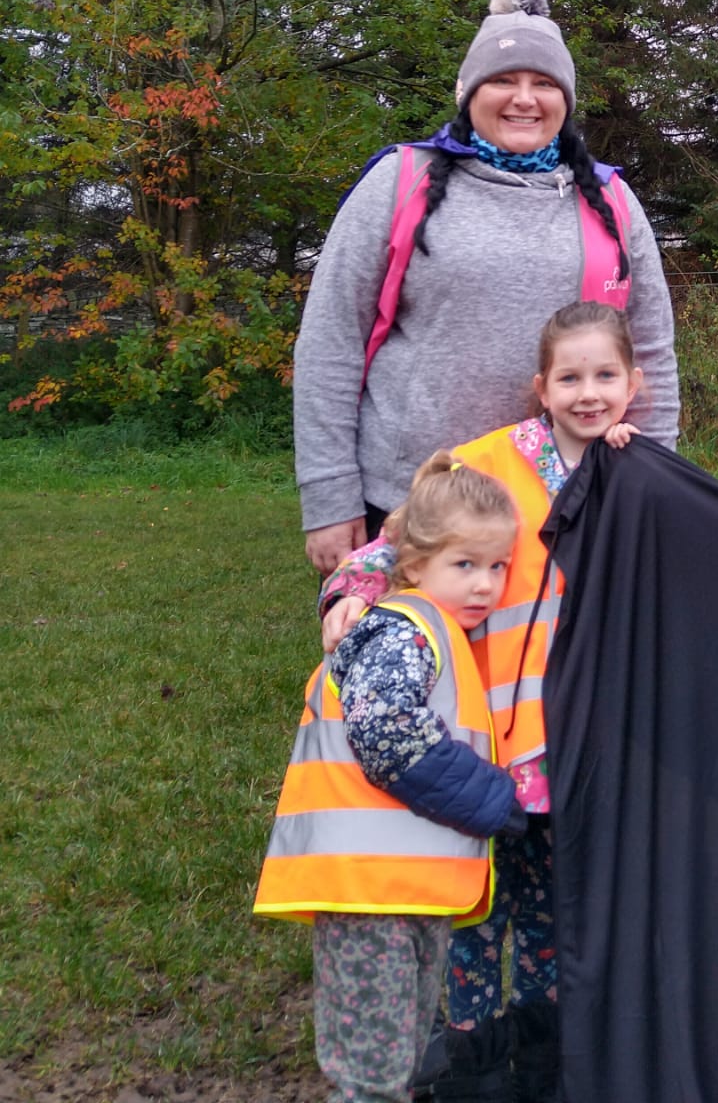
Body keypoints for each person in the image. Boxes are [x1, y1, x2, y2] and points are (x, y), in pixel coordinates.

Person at [318, 302, 644, 1103]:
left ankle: (541, 1061)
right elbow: (397, 543)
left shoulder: (641, 475)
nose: (589, 393)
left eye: (606, 376)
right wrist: (352, 590)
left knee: (553, 915)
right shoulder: (487, 463)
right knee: (467, 911)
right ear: (542, 387)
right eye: (571, 376)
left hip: (570, 748)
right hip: (468, 750)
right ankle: (466, 1063)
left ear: (634, 385)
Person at [294, 0, 679, 575]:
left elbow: (649, 348)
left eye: (544, 83)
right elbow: (330, 341)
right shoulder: (400, 183)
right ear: (469, 92)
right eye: (503, 80)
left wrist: (652, 483)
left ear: (566, 100)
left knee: (535, 669)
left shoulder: (611, 201)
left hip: (567, 502)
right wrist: (328, 496)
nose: (524, 98)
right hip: (413, 505)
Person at [255, 454, 525, 1103]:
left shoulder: (441, 636)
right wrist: (494, 801)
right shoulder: (402, 633)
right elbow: (386, 736)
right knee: (372, 1072)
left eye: (497, 567)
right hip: (365, 889)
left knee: (395, 1059)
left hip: (400, 889)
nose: (485, 584)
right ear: (413, 565)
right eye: (465, 565)